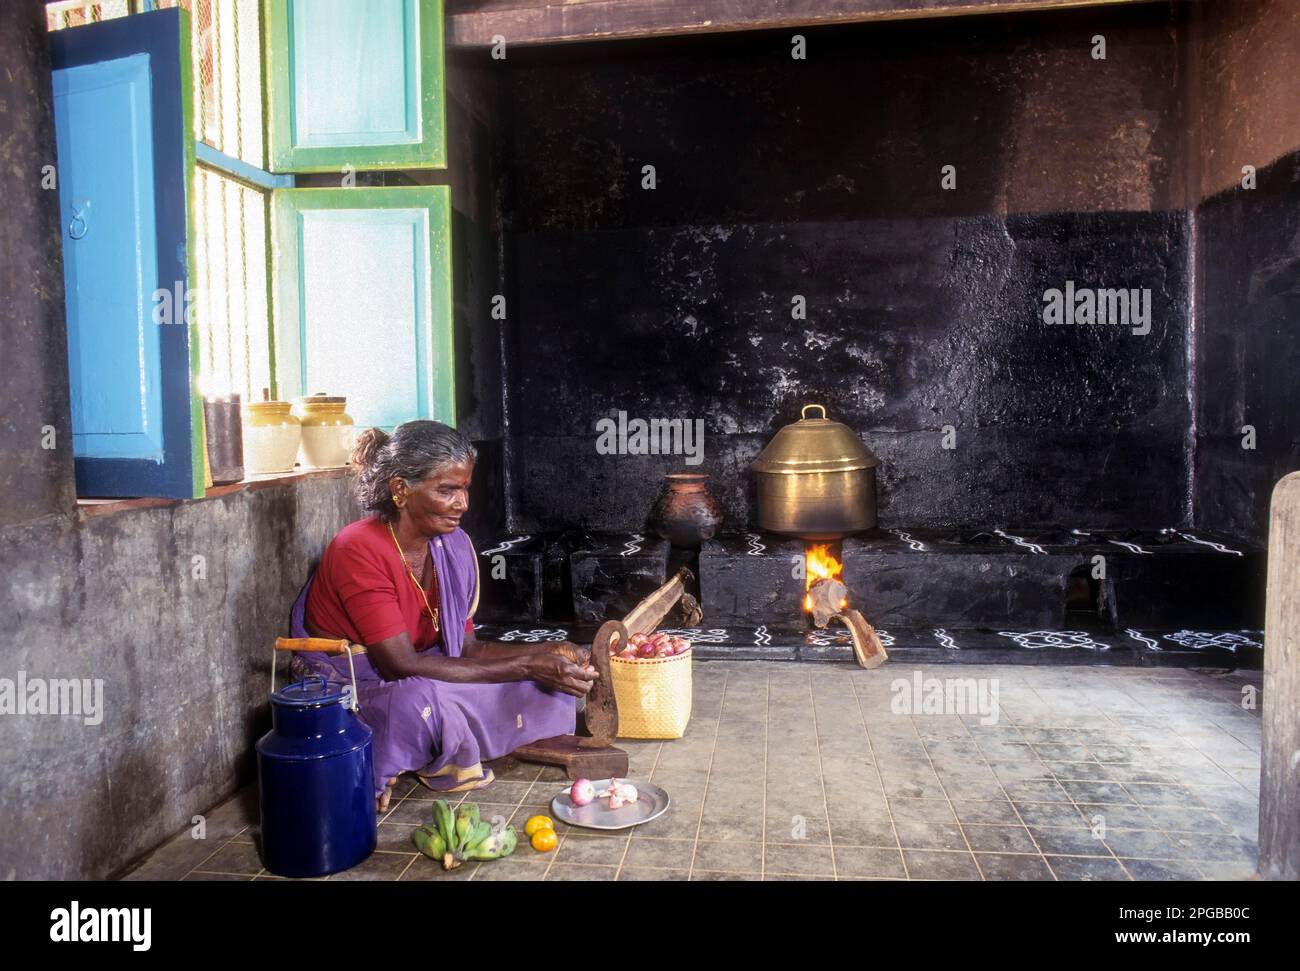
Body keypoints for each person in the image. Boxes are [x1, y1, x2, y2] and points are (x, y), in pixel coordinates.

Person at [287, 419, 597, 810]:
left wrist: (552, 653)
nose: (462, 505)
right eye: (446, 490)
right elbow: (399, 665)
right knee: (421, 701)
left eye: (464, 489)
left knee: (544, 683)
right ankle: (408, 749)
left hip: (424, 668)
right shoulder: (359, 550)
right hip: (352, 683)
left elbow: (468, 649)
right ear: (401, 490)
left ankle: (438, 745)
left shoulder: (452, 545)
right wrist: (527, 665)